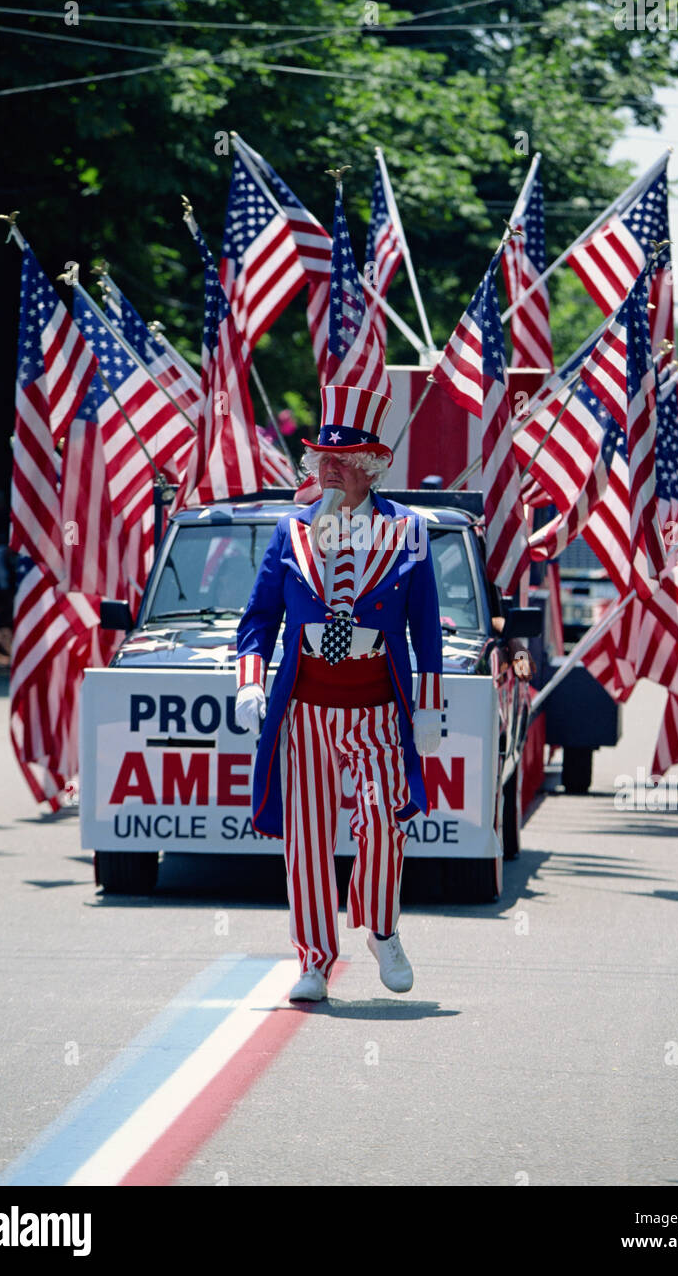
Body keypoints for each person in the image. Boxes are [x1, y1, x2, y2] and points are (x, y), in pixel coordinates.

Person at [233, 385, 444, 1003]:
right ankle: (314, 958)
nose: (327, 467)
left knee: (382, 824)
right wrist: (250, 683)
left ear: (369, 466)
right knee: (306, 838)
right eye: (321, 456)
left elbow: (426, 626)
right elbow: (258, 619)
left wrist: (429, 704)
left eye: (341, 458)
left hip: (376, 712)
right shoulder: (289, 530)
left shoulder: (407, 531)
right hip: (304, 712)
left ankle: (381, 927)